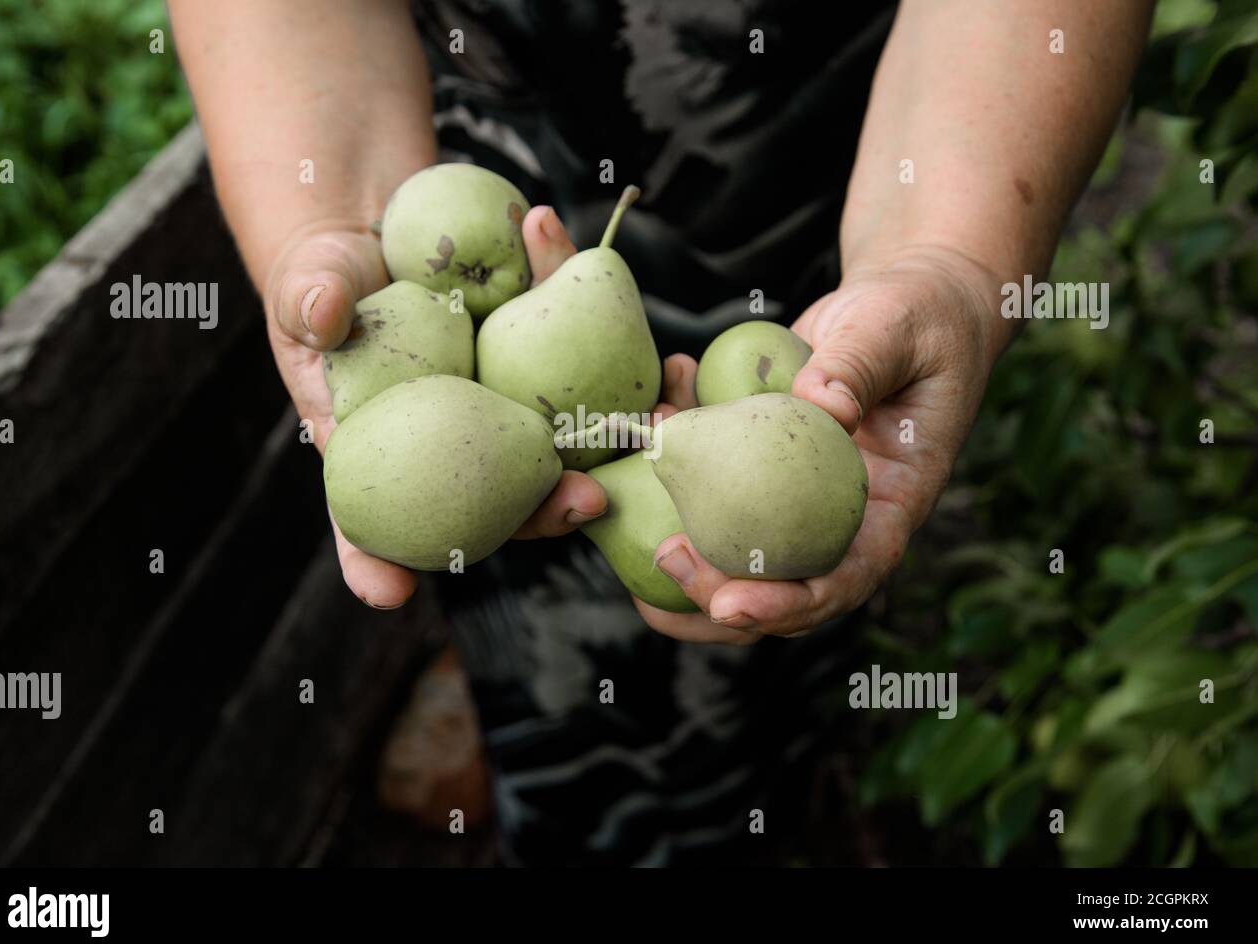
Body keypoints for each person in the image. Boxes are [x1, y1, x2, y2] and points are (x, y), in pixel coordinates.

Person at [170, 0, 1154, 864]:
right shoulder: (472, 362)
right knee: (564, 649)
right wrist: (329, 210)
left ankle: (779, 776)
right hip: (464, 150)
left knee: (798, 558)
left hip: (841, 160)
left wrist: (944, 254)